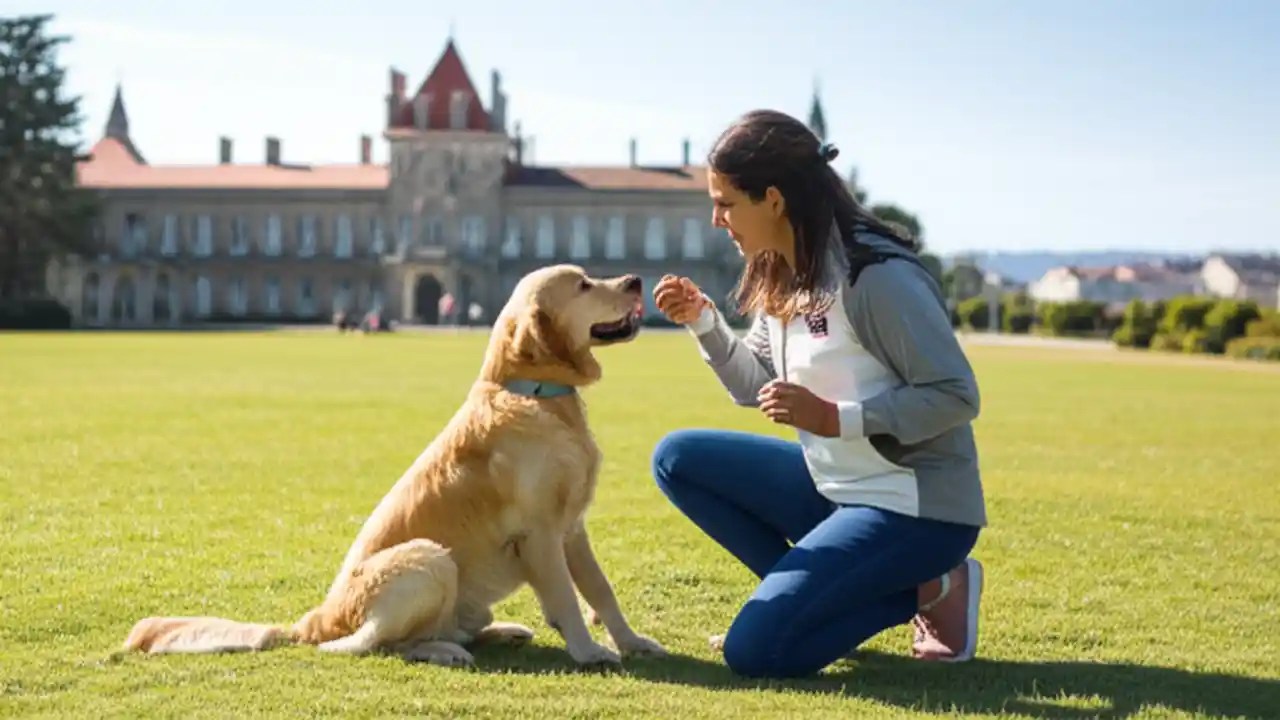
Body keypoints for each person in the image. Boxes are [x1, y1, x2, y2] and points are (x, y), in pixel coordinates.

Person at [651, 109, 987, 679]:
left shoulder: (876, 279)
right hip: (833, 488)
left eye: (727, 203)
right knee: (677, 458)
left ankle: (930, 588)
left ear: (774, 200)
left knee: (755, 653)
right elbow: (755, 386)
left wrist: (838, 419)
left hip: (914, 509)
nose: (716, 219)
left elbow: (956, 395)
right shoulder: (780, 272)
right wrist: (705, 323)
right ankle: (815, 604)